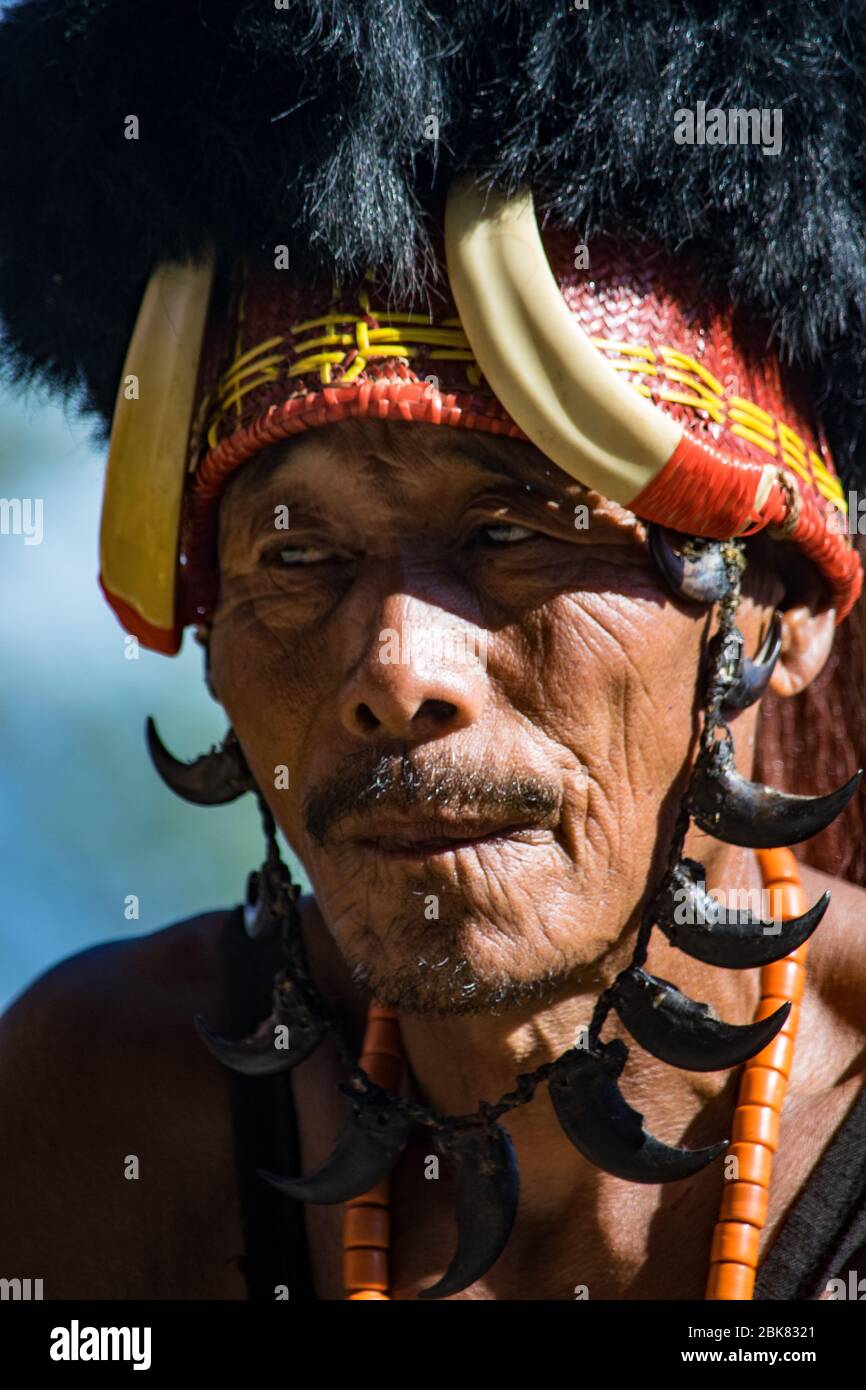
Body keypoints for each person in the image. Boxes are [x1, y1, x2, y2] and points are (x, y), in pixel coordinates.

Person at [1, 0, 865, 1302]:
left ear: (783, 606)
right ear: (212, 650)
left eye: (514, 531)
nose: (397, 671)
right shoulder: (95, 1121)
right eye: (297, 558)